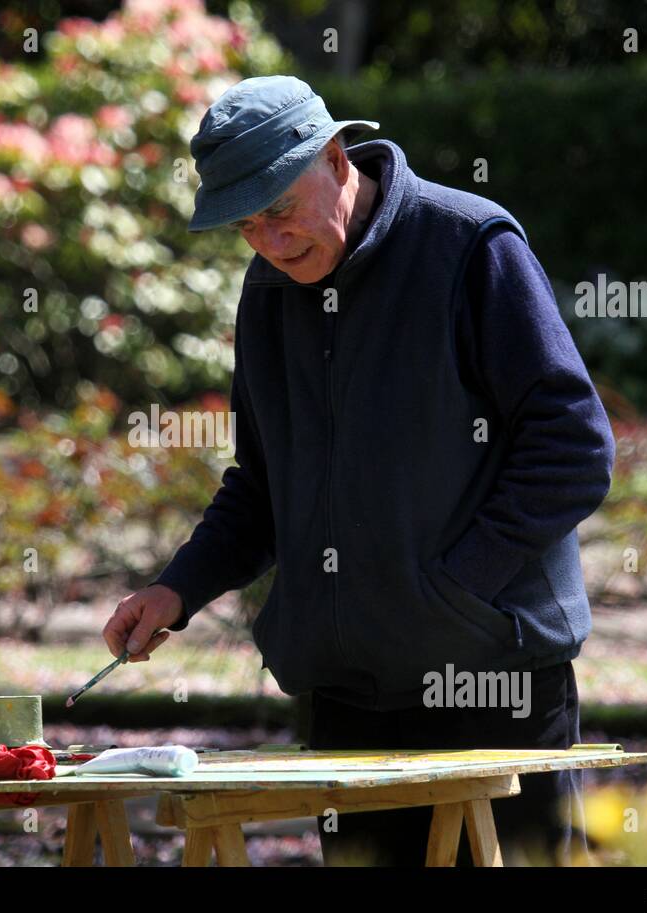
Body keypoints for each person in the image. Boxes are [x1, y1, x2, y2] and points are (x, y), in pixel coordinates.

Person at [100, 75, 614, 866]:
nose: (269, 240)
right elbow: (264, 482)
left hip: (489, 685)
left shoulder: (470, 244)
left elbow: (572, 444)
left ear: (337, 159)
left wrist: (457, 584)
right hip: (346, 696)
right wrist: (180, 588)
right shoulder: (269, 291)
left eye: (278, 209)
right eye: (246, 224)